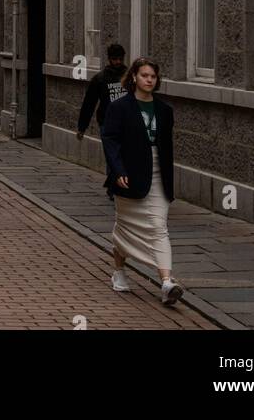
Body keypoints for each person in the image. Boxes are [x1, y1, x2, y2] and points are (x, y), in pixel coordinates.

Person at [100, 56, 184, 308]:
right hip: (130, 173)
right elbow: (110, 140)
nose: (149, 80)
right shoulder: (120, 107)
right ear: (134, 77)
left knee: (159, 227)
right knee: (124, 227)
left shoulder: (165, 111)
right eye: (145, 75)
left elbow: (165, 146)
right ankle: (119, 271)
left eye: (153, 76)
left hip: (159, 175)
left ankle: (167, 283)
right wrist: (118, 170)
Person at [76, 43, 128, 140]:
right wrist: (82, 128)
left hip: (126, 123)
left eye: (120, 59)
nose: (118, 62)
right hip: (107, 122)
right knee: (112, 154)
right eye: (115, 59)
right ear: (109, 59)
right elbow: (89, 103)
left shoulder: (129, 77)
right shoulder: (100, 79)